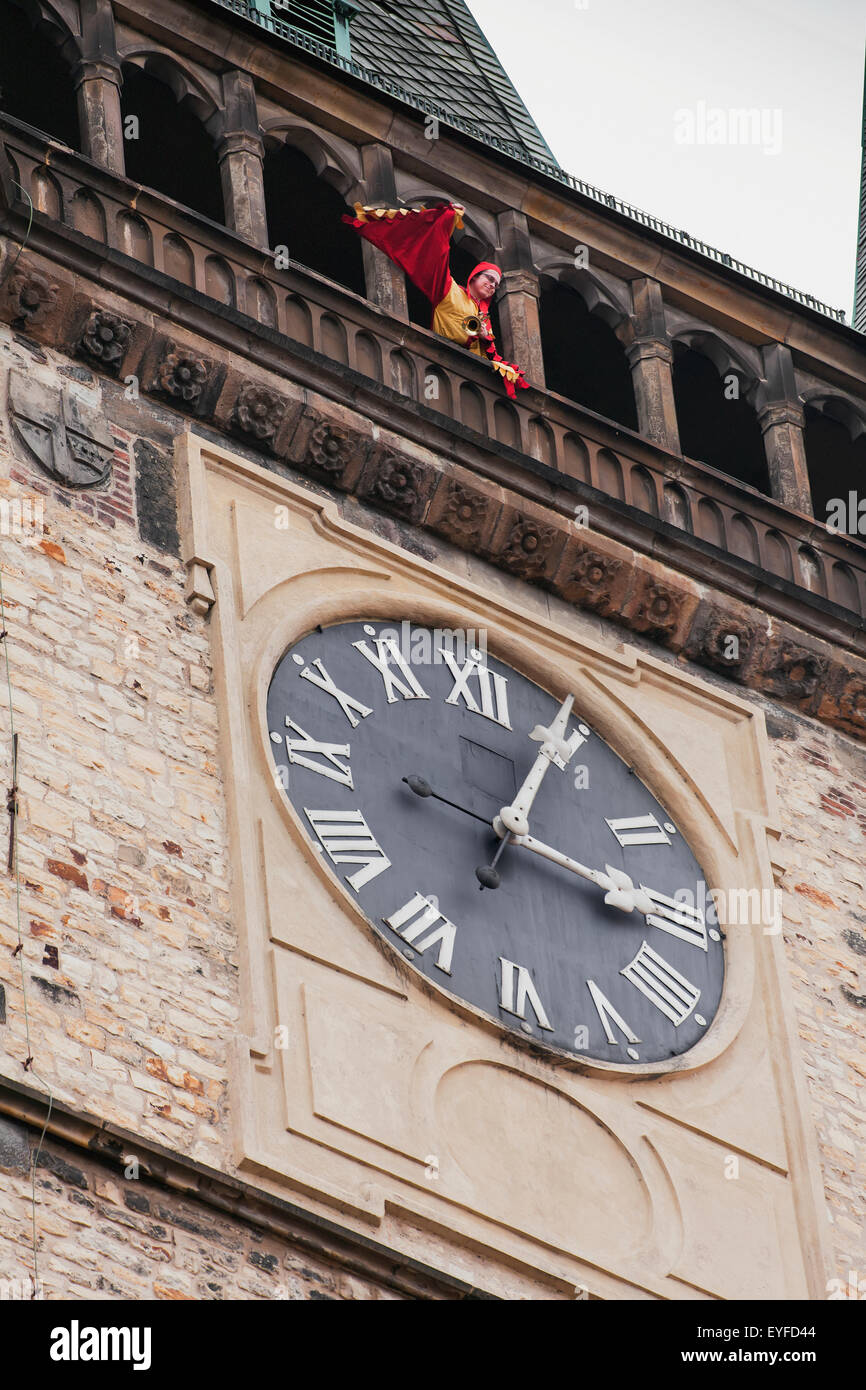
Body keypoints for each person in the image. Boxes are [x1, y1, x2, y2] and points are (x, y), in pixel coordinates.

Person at [342, 201, 529, 398]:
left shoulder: (485, 317)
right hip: (441, 369)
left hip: (473, 386)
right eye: (489, 279)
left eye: (496, 285)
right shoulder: (450, 290)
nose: (492, 286)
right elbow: (438, 253)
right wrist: (449, 218)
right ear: (474, 276)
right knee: (433, 402)